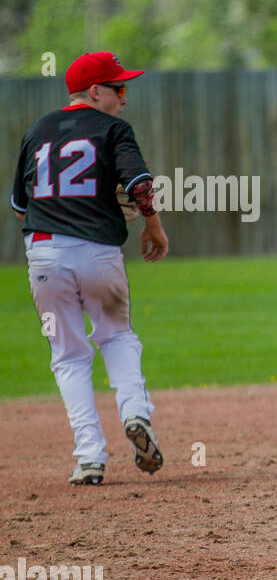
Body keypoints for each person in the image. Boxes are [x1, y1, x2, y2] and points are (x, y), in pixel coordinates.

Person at [11, 51, 168, 485]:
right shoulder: (113, 129)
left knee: (67, 355)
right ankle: (135, 413)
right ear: (96, 92)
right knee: (117, 335)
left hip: (43, 252)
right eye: (119, 88)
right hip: (98, 250)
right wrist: (154, 227)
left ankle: (89, 458)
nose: (125, 97)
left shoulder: (37, 131)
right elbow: (139, 183)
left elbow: (20, 206)